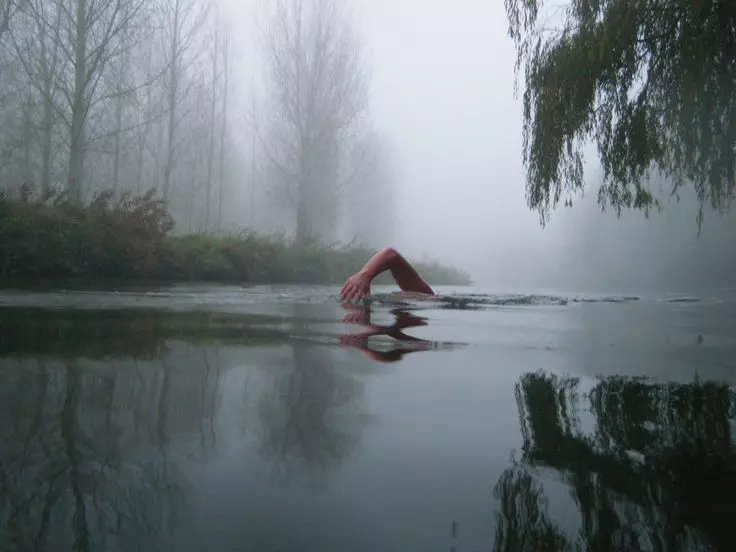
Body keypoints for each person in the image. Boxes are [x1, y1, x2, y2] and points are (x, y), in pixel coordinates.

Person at [340, 247, 435, 302]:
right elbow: (391, 255)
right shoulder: (429, 298)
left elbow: (390, 255)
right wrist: (364, 275)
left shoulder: (428, 298)